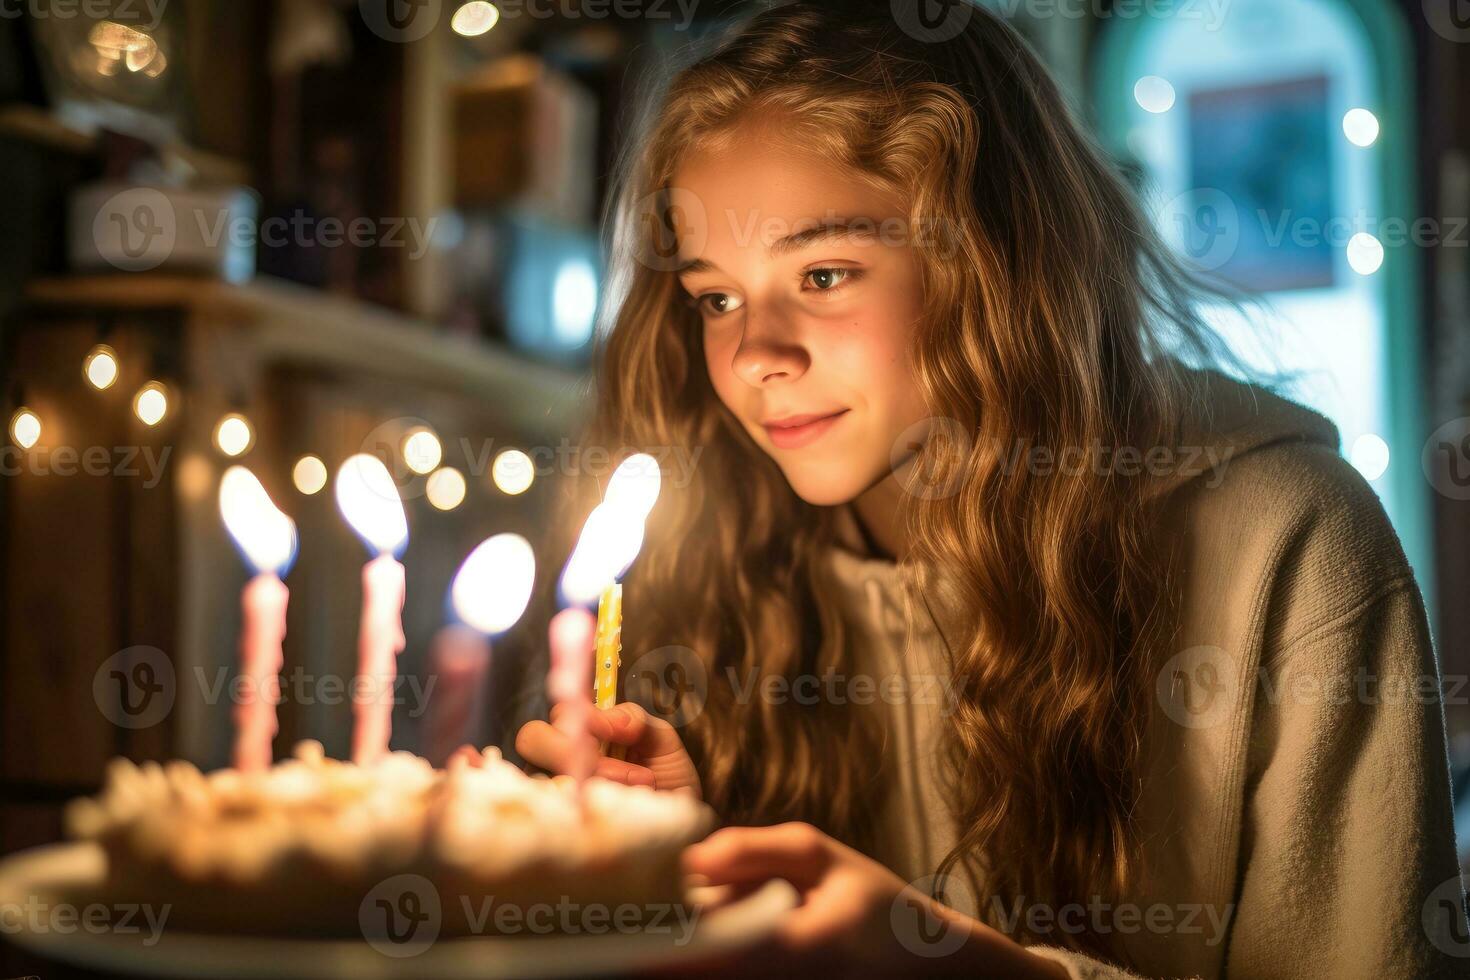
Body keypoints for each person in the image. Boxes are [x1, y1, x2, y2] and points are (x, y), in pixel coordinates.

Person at [510, 2, 1467, 975]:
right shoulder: (711, 566)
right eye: (716, 296)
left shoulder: (1289, 546)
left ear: (992, 261)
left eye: (827, 271)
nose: (756, 352)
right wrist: (676, 879)